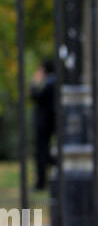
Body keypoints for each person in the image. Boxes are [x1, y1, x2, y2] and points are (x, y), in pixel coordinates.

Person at [30, 58, 57, 191]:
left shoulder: (49, 83)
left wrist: (35, 82)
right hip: (48, 123)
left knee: (42, 154)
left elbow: (35, 96)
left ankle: (41, 183)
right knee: (43, 153)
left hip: (44, 124)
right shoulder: (52, 82)